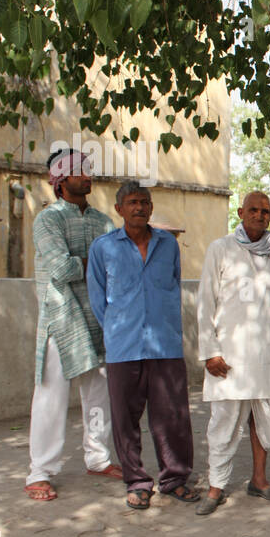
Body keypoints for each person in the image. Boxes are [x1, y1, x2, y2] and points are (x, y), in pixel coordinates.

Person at [87, 180, 196, 510]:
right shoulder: (103, 248)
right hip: (124, 347)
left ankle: (175, 478)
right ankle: (136, 481)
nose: (140, 207)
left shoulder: (168, 245)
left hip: (165, 345)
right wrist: (118, 332)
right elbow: (97, 298)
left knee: (172, 416)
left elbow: (173, 287)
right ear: (119, 209)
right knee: (125, 418)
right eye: (132, 202)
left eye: (145, 202)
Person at [195, 191, 270, 516]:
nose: (259, 215)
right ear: (241, 212)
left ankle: (259, 480)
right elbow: (205, 303)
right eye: (253, 210)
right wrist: (209, 351)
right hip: (227, 358)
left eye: (265, 211)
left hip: (267, 353)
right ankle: (216, 487)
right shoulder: (221, 249)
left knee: (266, 421)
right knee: (224, 425)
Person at [24, 147, 120, 500]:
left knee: (99, 391)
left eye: (89, 169)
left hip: (98, 315)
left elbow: (117, 266)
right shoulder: (47, 220)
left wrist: (88, 266)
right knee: (52, 394)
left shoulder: (103, 221)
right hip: (61, 316)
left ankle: (98, 458)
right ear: (61, 180)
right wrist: (95, 265)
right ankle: (41, 470)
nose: (88, 175)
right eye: (81, 171)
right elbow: (61, 270)